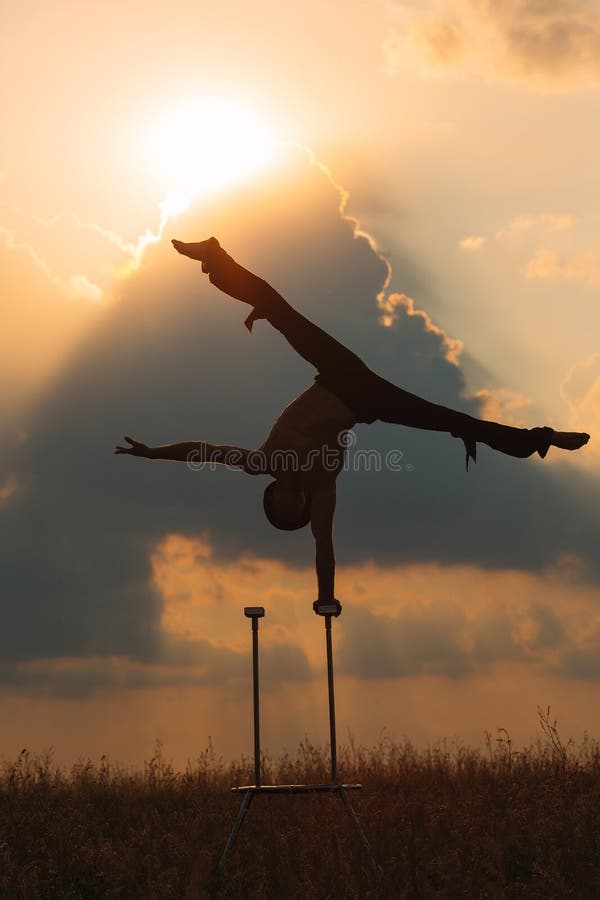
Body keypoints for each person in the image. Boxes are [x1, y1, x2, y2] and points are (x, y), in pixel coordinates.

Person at [115, 238, 590, 616]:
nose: (287, 499)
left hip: (338, 375)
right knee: (453, 422)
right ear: (300, 507)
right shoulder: (321, 488)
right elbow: (325, 545)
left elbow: (204, 451)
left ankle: (215, 255)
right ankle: (543, 438)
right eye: (291, 509)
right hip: (370, 402)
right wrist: (326, 596)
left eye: (278, 504)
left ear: (272, 496)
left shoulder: (262, 463)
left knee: (279, 310)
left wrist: (154, 453)